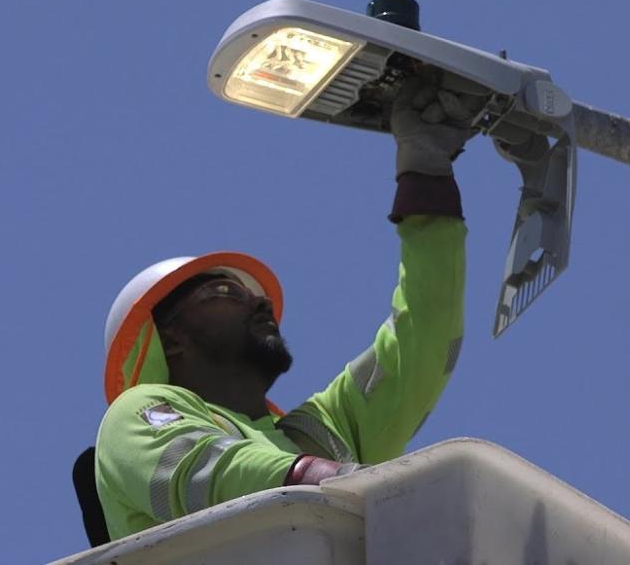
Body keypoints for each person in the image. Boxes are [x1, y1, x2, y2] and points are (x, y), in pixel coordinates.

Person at [92, 71, 476, 542]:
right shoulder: (135, 415)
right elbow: (208, 472)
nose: (258, 302)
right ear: (169, 337)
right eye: (226, 292)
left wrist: (426, 173)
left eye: (256, 295)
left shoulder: (319, 433)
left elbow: (423, 338)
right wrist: (339, 481)